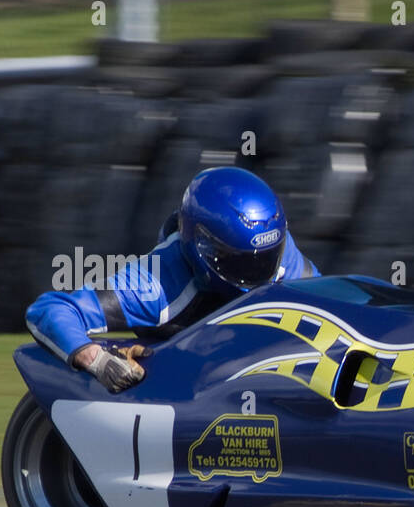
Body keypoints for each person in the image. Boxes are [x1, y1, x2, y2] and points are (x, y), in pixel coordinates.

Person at [25, 166, 320, 392]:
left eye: (266, 257)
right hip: (187, 386)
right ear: (200, 245)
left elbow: (331, 311)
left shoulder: (283, 257)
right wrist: (96, 359)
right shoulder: (154, 282)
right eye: (242, 261)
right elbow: (50, 309)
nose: (259, 272)